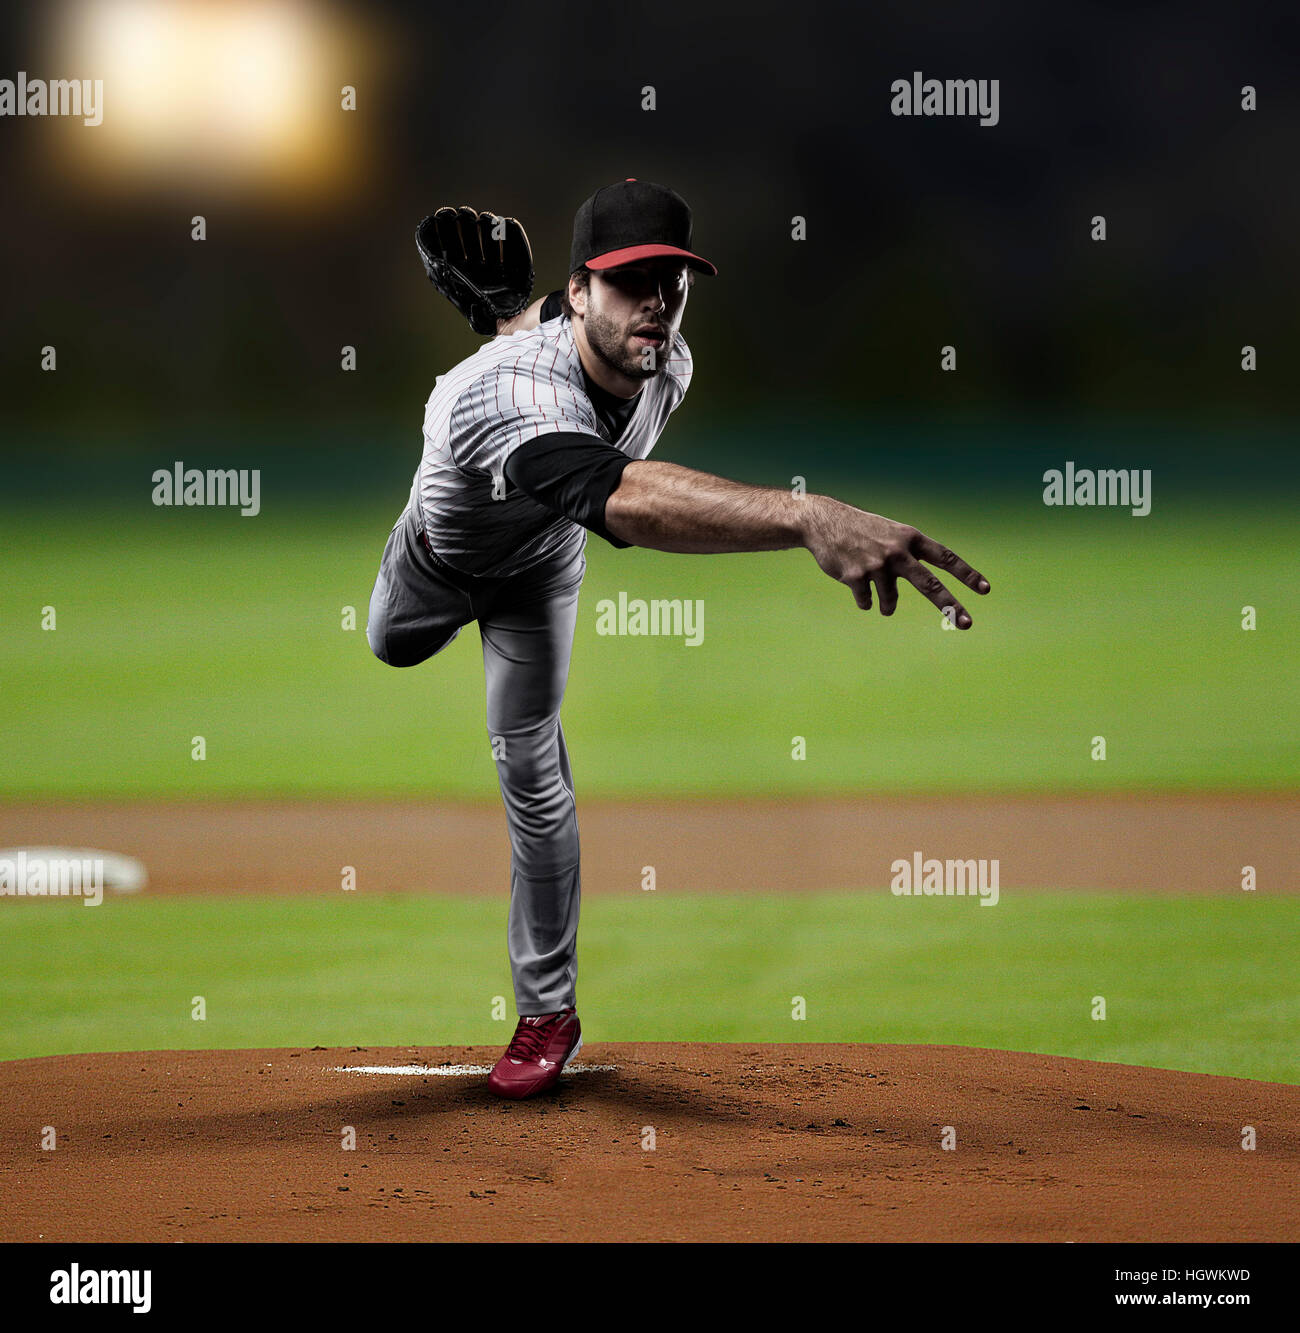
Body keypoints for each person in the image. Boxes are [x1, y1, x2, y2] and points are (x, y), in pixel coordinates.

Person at [367, 178, 990, 1099]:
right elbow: (618, 498)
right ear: (579, 290)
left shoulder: (664, 355)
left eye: (671, 278)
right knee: (391, 643)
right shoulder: (504, 390)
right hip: (438, 558)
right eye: (629, 281)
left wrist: (516, 314)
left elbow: (580, 388)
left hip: (539, 566)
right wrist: (808, 514)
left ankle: (547, 1011)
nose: (655, 300)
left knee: (532, 767)